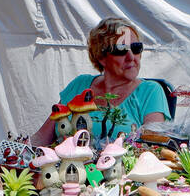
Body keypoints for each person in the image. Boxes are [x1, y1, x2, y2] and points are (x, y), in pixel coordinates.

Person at [33, 17, 170, 144]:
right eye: (121, 49)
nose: (131, 57)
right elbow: (41, 138)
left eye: (136, 48)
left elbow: (153, 148)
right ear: (101, 57)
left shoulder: (151, 91)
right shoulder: (80, 84)